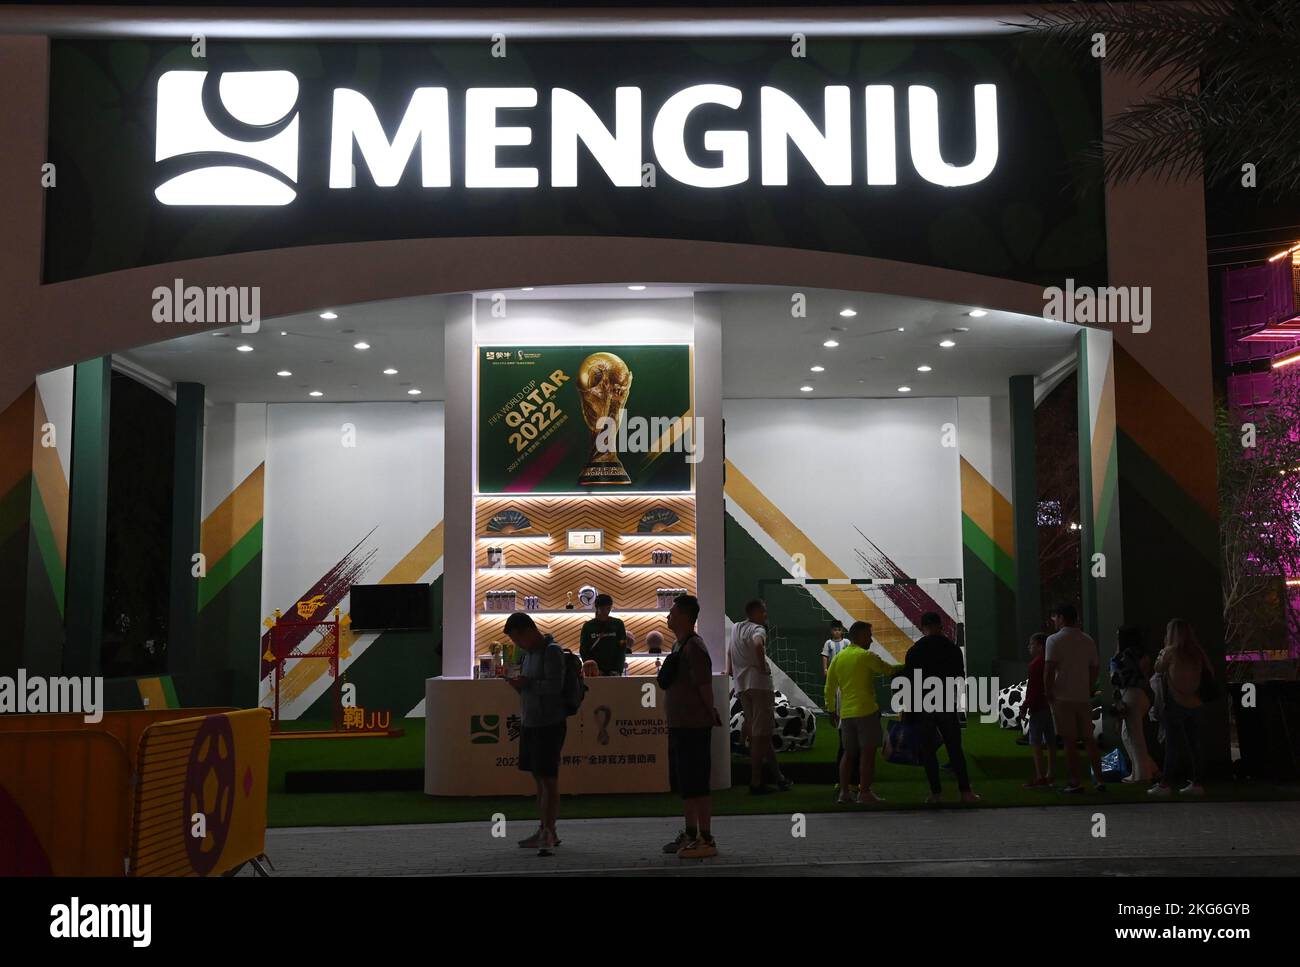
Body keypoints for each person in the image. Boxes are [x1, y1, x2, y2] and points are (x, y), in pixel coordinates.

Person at [659, 594, 721, 858]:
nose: (668, 616)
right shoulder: (679, 646)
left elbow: (705, 686)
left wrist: (711, 712)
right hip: (681, 725)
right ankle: (691, 832)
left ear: (685, 616)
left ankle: (706, 839)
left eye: (672, 612)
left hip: (694, 725)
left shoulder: (695, 648)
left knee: (697, 781)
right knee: (686, 783)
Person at [503, 612, 567, 854]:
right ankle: (545, 829)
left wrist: (526, 684)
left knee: (548, 780)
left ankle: (548, 832)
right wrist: (520, 686)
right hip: (531, 722)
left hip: (549, 724)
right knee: (540, 780)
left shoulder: (552, 651)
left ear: (529, 630)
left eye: (517, 638)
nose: (517, 644)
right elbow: (531, 689)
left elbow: (554, 687)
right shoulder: (527, 654)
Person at [904, 612, 979, 803]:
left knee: (928, 751)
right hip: (945, 701)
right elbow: (959, 678)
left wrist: (908, 708)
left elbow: (909, 682)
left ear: (922, 628)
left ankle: (936, 794)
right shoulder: (952, 649)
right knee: (954, 748)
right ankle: (965, 792)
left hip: (923, 704)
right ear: (941, 625)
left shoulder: (915, 650)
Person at [825, 621, 900, 804]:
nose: (871, 639)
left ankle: (844, 793)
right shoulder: (865, 656)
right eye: (868, 635)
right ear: (858, 636)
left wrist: (831, 710)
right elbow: (889, 670)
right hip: (866, 712)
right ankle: (864, 793)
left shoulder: (838, 658)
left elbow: (829, 687)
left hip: (846, 715)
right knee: (867, 754)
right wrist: (910, 663)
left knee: (848, 754)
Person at [726, 598, 790, 794]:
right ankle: (756, 782)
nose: (766, 615)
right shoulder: (758, 630)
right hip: (759, 685)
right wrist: (762, 668)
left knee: (760, 734)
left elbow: (729, 651)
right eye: (763, 612)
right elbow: (758, 645)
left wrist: (731, 670)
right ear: (755, 613)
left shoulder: (736, 627)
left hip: (742, 685)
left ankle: (778, 777)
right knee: (760, 735)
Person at [1044, 603, 1105, 793]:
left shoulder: (1054, 640)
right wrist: (1087, 687)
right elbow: (1095, 667)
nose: (1054, 620)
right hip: (1082, 697)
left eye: (1055, 617)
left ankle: (1075, 781)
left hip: (1062, 697)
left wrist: (1048, 692)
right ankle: (1099, 780)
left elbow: (1049, 669)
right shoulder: (1087, 640)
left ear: (1061, 618)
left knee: (1069, 741)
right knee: (1089, 739)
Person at [1149, 619, 1211, 796]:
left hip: (1175, 703)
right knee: (1195, 745)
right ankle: (1198, 783)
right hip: (1196, 703)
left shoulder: (1170, 651)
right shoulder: (1197, 653)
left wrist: (1163, 649)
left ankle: (1165, 785)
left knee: (1172, 746)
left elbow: (1158, 668)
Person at [1110, 626, 1160, 784]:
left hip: (1131, 694)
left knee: (1135, 737)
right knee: (1128, 735)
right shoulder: (1140, 654)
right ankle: (1149, 768)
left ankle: (1142, 774)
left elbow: (1117, 678)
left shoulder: (1124, 656)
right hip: (1141, 695)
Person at [1022, 632, 1056, 788]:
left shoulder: (1035, 665)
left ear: (1040, 646)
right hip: (1051, 706)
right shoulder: (1051, 662)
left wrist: (1025, 706)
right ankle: (1050, 774)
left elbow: (1033, 689)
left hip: (1038, 708)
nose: (1029, 647)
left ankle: (1040, 776)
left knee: (1035, 741)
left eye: (1032, 644)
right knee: (1050, 741)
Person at [580, 593, 627, 676]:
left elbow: (622, 648)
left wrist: (618, 669)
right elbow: (583, 650)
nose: (606, 611)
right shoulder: (588, 626)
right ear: (597, 608)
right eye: (602, 609)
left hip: (614, 671)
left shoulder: (618, 624)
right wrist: (592, 668)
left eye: (608, 608)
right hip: (595, 672)